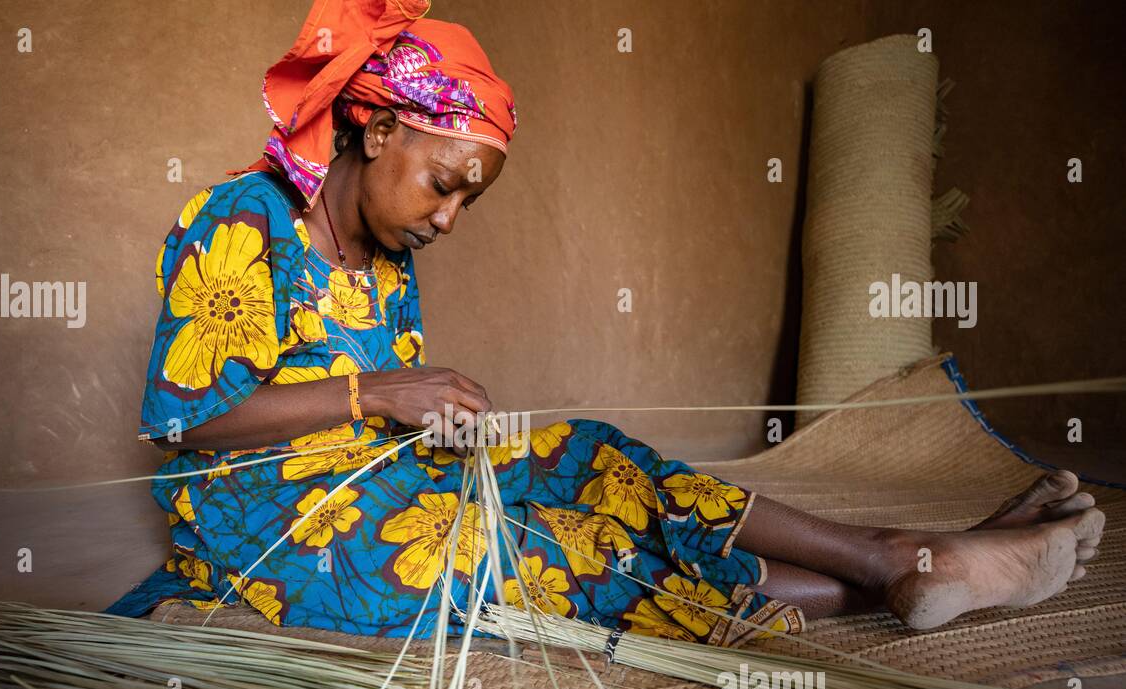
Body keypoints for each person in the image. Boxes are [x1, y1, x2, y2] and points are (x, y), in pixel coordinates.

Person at [106, 0, 1103, 645]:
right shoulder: (242, 220)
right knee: (540, 552)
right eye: (445, 185)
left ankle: (891, 551)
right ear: (376, 131)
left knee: (594, 460)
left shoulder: (390, 250)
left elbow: (379, 412)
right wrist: (380, 393)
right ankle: (896, 574)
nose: (449, 217)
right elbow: (185, 418)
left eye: (469, 200)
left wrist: (425, 418)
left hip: (382, 472)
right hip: (271, 521)